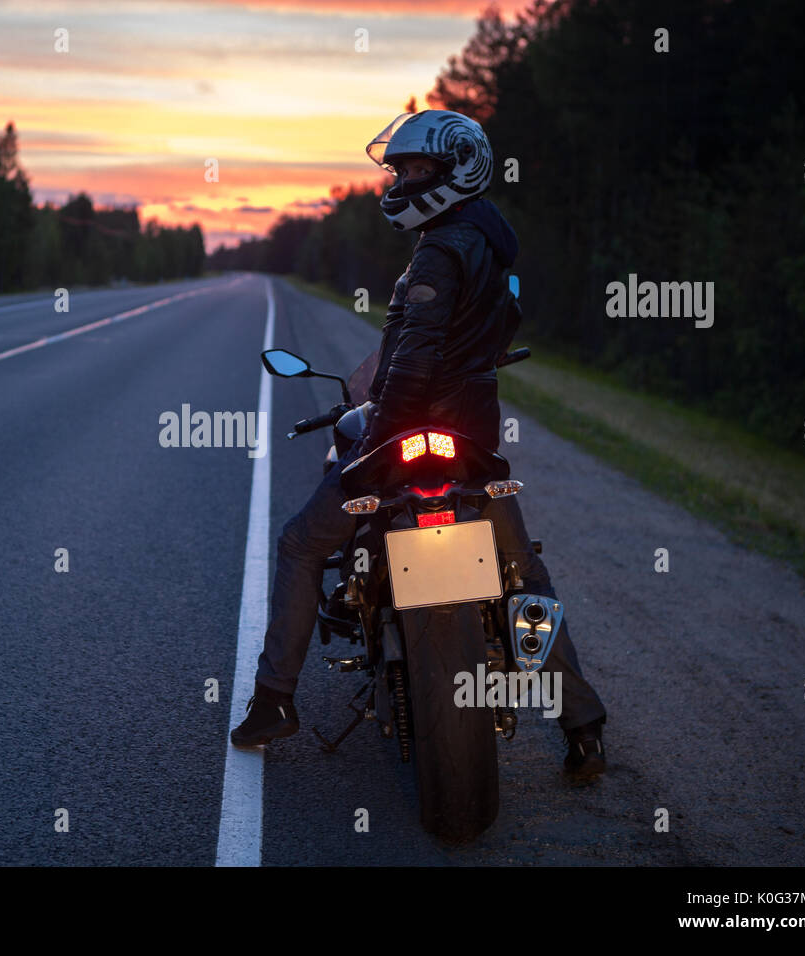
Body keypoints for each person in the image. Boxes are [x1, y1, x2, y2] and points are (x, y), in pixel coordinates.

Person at [230, 110, 607, 778]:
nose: (402, 181)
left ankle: (275, 700)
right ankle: (582, 725)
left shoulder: (439, 246)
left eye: (414, 169)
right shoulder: (490, 242)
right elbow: (481, 329)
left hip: (409, 432)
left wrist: (374, 441)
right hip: (473, 442)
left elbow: (413, 362)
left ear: (456, 166)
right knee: (521, 573)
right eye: (400, 169)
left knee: (300, 542)